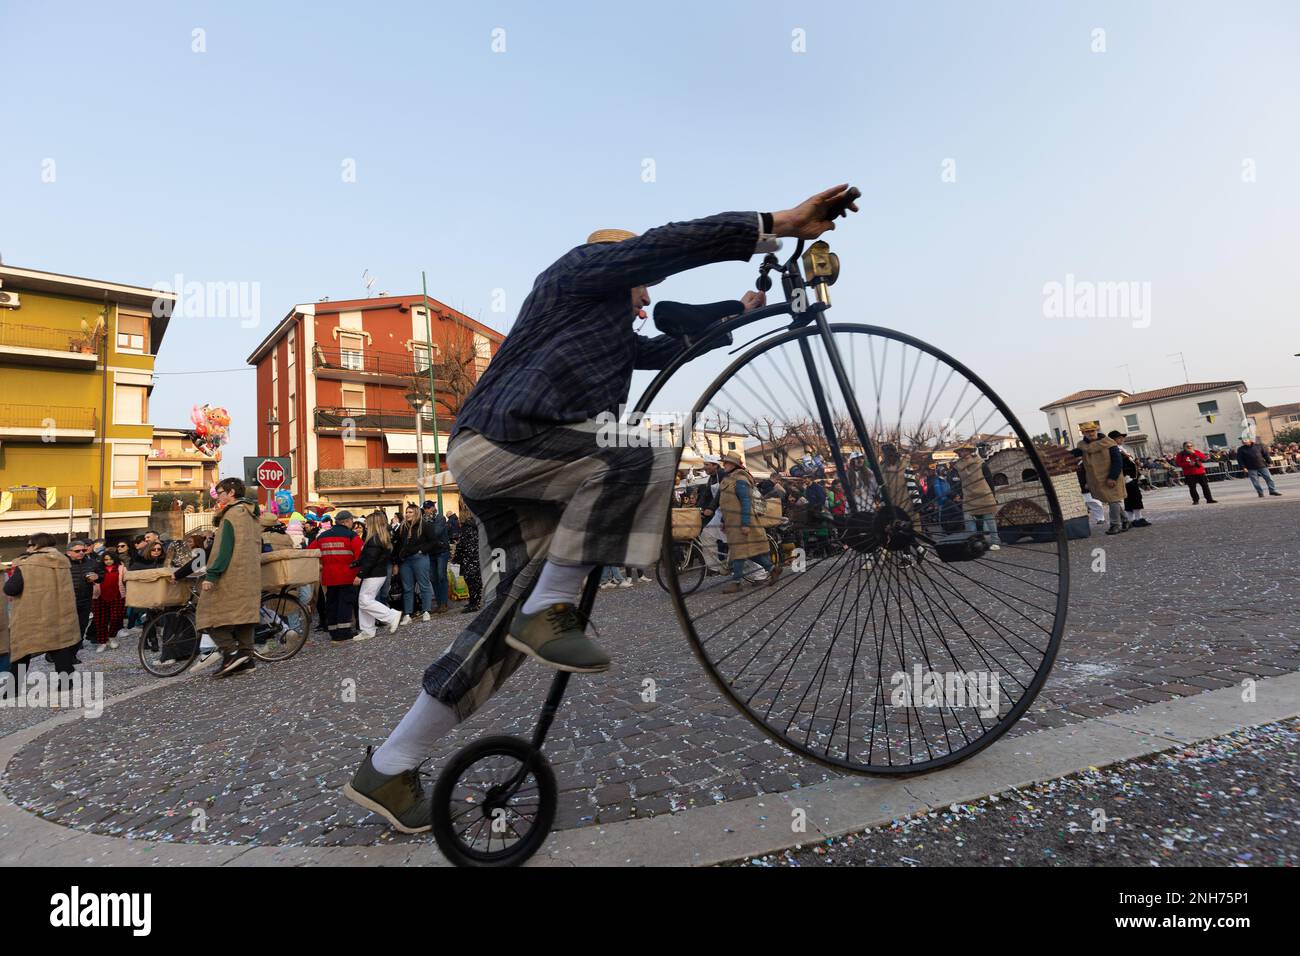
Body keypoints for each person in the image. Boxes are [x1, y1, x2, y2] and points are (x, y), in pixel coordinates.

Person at [343, 184, 861, 833]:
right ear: (623, 269)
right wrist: (774, 225)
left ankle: (391, 765)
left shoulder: (611, 337)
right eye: (641, 284)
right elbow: (664, 245)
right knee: (638, 455)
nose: (646, 299)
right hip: (505, 440)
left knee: (504, 637)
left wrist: (744, 307)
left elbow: (677, 348)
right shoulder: (575, 276)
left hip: (521, 470)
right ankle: (546, 607)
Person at [196, 478, 264, 677]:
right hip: (250, 573)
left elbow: (224, 548)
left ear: (231, 491)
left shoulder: (232, 514)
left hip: (231, 574)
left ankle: (231, 653)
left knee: (207, 615)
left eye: (220, 492)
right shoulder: (251, 514)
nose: (219, 496)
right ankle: (246, 658)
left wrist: (212, 574)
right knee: (244, 617)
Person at [3, 533, 81, 686]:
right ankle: (66, 682)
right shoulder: (62, 561)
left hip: (32, 616)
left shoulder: (26, 564)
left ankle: (13, 687)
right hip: (58, 614)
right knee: (59, 647)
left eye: (30, 544)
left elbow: (11, 589)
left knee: (22, 650)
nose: (28, 547)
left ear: (37, 545)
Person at [719, 451, 781, 593]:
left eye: (727, 462)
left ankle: (736, 582)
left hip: (742, 522)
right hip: (733, 522)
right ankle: (773, 569)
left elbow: (746, 502)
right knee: (749, 553)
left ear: (734, 465)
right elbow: (726, 503)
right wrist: (724, 520)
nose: (724, 465)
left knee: (738, 552)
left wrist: (745, 523)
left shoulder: (740, 479)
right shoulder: (729, 478)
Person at [310, 508, 363, 641]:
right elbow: (361, 556)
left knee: (331, 603)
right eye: (352, 521)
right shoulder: (351, 536)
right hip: (347, 576)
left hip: (329, 576)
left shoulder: (322, 536)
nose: (352, 523)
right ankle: (344, 632)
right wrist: (359, 573)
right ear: (347, 521)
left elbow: (310, 552)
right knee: (345, 603)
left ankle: (333, 630)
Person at [351, 512, 402, 639]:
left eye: (367, 523)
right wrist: (356, 564)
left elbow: (370, 560)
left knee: (364, 601)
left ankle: (391, 615)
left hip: (374, 574)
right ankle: (368, 630)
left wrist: (360, 574)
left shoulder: (374, 539)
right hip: (376, 573)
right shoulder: (379, 537)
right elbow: (370, 558)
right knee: (365, 600)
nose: (365, 525)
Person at [1074, 423, 1127, 534]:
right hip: (1097, 479)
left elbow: (1117, 461)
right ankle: (1126, 520)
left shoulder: (1109, 442)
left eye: (1092, 431)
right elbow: (1073, 455)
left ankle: (1115, 525)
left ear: (1096, 431)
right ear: (1083, 433)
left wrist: (1112, 477)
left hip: (1112, 476)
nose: (1090, 433)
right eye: (1087, 431)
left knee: (1113, 500)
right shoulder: (1082, 446)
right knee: (1112, 500)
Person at [394, 504, 436, 624]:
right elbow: (396, 545)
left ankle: (426, 611)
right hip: (405, 561)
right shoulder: (402, 527)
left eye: (410, 512)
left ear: (416, 513)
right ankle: (408, 614)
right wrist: (396, 561)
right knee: (407, 588)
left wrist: (421, 550)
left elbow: (434, 541)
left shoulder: (425, 525)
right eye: (407, 512)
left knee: (424, 585)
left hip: (419, 558)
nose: (407, 514)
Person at [954, 445, 1001, 548]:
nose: (962, 453)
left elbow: (989, 479)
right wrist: (958, 494)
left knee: (989, 520)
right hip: (969, 496)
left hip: (984, 495)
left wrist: (993, 495)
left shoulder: (980, 463)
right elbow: (958, 482)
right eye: (961, 451)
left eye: (965, 450)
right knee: (968, 519)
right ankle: (974, 543)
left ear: (970, 451)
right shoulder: (958, 466)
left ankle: (995, 542)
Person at [1108, 431, 1149, 528]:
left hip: (1131, 477)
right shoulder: (1115, 450)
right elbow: (1120, 464)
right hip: (1126, 477)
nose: (1122, 439)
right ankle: (1136, 519)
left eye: (1122, 438)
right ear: (1113, 440)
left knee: (1131, 498)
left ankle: (1133, 519)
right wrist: (1126, 476)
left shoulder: (1121, 449)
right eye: (1119, 438)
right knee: (1134, 497)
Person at [421, 500, 452, 614]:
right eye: (425, 508)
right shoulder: (424, 520)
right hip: (431, 552)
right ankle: (439, 603)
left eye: (429, 508)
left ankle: (443, 603)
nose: (427, 510)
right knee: (433, 578)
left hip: (441, 550)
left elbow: (435, 532)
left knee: (441, 576)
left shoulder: (440, 518)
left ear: (433, 507)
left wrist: (426, 531)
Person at [91, 550, 125, 651]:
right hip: (99, 596)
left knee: (116, 617)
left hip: (117, 596)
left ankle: (112, 637)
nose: (108, 561)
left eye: (111, 559)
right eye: (106, 559)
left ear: (115, 559)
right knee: (100, 620)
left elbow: (126, 580)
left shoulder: (121, 568)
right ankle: (102, 642)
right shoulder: (97, 569)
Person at [453, 503, 483, 614]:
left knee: (471, 581)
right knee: (476, 581)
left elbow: (462, 544)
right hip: (477, 556)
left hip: (469, 558)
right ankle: (475, 601)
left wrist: (456, 557)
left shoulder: (466, 528)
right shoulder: (477, 526)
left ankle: (474, 603)